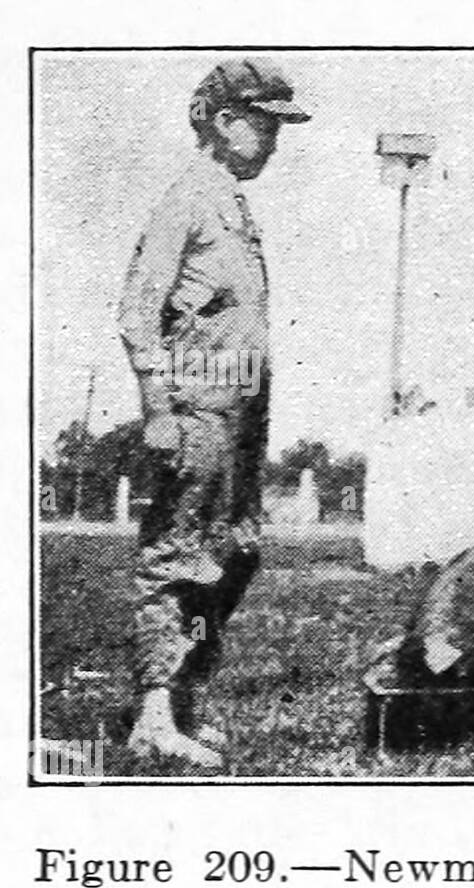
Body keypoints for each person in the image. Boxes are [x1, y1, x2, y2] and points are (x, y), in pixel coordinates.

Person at [117, 59, 311, 766]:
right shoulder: (189, 199)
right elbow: (139, 311)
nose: (274, 140)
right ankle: (153, 711)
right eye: (265, 124)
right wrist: (157, 409)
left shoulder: (232, 203)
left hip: (239, 410)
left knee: (232, 554)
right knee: (177, 556)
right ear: (225, 121)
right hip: (196, 407)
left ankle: (182, 699)